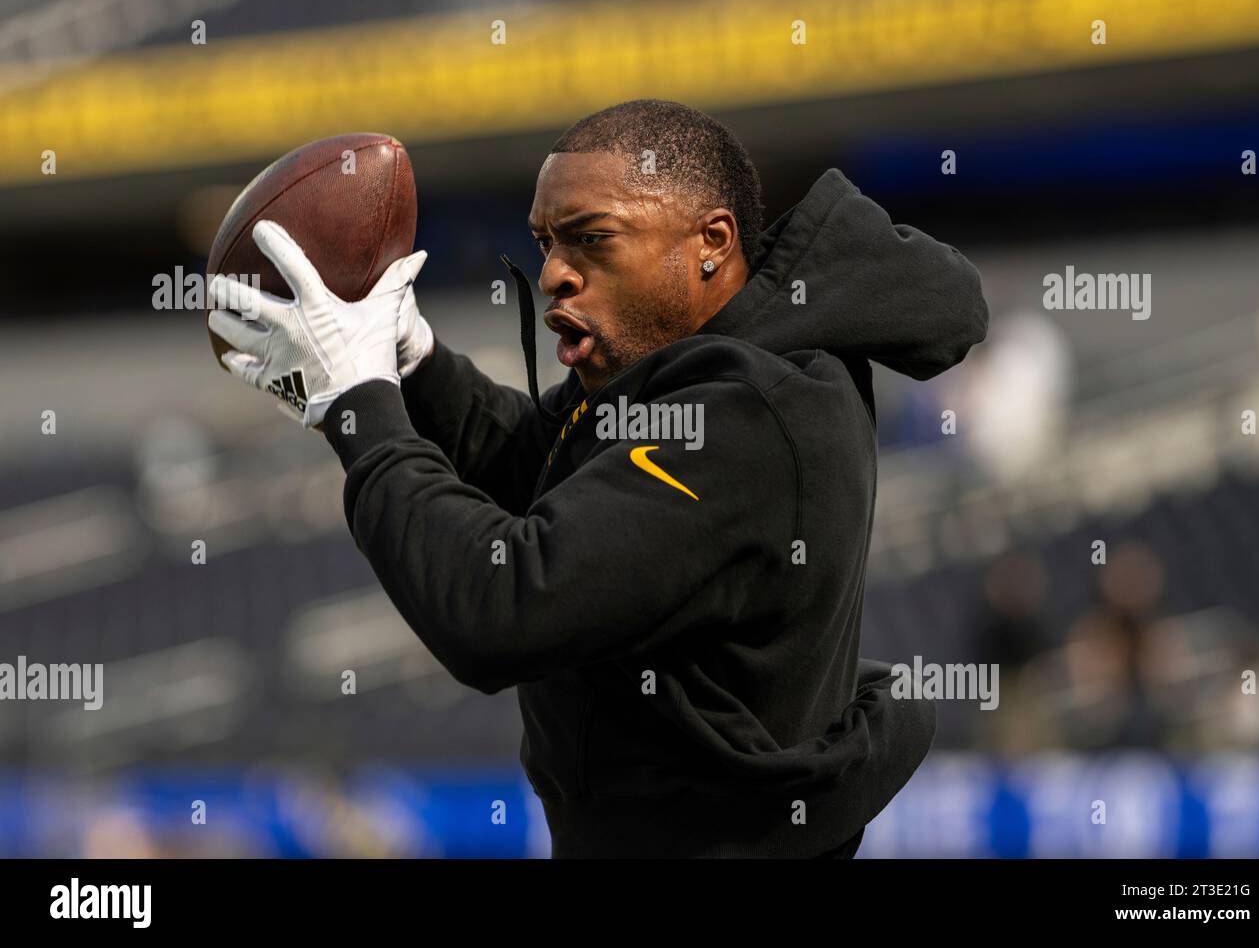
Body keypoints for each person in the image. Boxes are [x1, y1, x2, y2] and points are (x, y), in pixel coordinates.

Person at [208, 99, 989, 858]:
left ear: (710, 242)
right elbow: (537, 466)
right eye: (546, 240)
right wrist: (412, 366)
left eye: (590, 239)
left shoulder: (748, 412)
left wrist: (358, 408)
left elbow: (501, 606)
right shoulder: (693, 377)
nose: (552, 274)